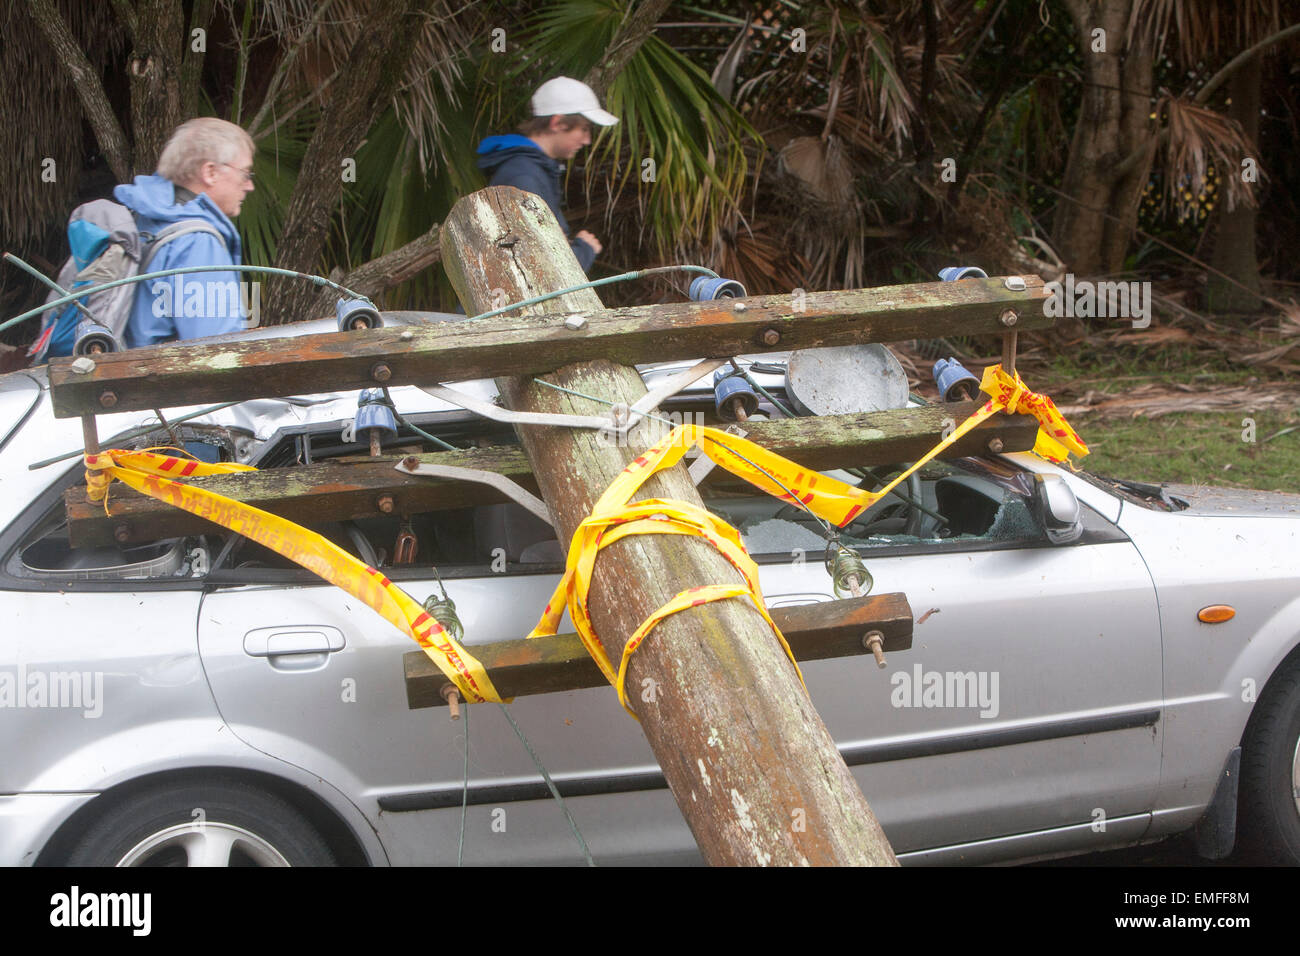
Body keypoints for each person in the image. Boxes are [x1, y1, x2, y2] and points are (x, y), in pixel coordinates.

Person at [114, 117, 256, 348]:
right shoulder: (197, 243)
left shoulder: (145, 220)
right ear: (210, 172)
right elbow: (217, 355)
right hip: (163, 381)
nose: (249, 186)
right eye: (245, 173)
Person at [476, 77, 617, 273]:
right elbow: (538, 266)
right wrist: (584, 249)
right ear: (557, 122)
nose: (587, 140)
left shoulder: (536, 169)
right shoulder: (523, 176)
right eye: (584, 129)